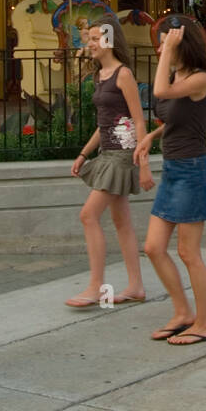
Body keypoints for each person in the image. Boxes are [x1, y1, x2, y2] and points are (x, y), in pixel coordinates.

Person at [137, 18, 206, 345]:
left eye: (164, 41)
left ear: (182, 43)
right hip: (172, 169)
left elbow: (159, 92)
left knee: (188, 252)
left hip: (192, 171)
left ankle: (204, 324)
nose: (159, 48)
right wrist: (152, 137)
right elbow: (178, 116)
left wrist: (168, 51)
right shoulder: (177, 75)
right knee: (154, 247)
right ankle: (182, 312)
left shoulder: (199, 78)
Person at [66, 22, 155, 307]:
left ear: (109, 41)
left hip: (122, 155)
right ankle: (136, 285)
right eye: (88, 39)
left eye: (95, 38)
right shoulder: (100, 76)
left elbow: (139, 119)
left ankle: (95, 286)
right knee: (122, 221)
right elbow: (103, 123)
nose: (90, 43)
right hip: (107, 153)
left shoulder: (123, 74)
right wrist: (84, 153)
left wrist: (143, 164)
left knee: (88, 215)